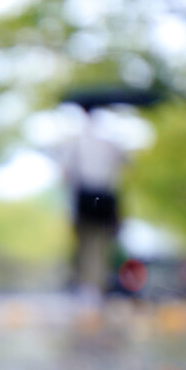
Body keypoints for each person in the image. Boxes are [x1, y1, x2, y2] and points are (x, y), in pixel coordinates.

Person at [59, 108, 127, 297]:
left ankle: (87, 289)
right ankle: (95, 287)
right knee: (100, 246)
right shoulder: (111, 144)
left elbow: (66, 174)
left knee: (85, 244)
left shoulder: (75, 144)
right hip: (104, 198)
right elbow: (123, 166)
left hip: (86, 199)